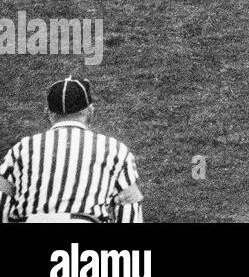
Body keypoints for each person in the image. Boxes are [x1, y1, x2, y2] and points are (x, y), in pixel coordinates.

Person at [0, 76, 143, 223]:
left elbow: (2, 200)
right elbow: (129, 208)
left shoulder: (22, 148)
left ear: (47, 113)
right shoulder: (116, 149)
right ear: (90, 111)